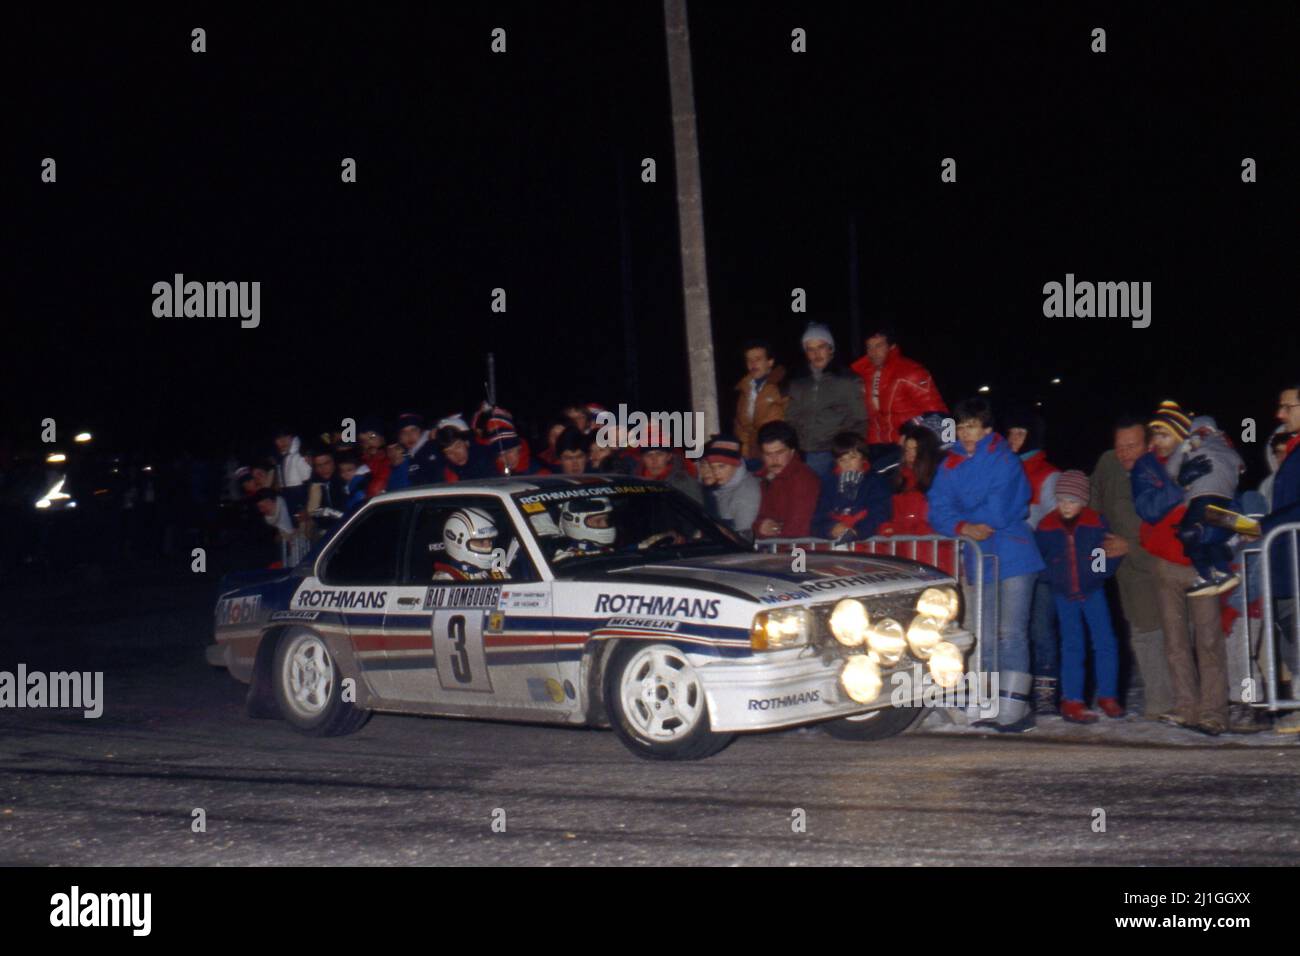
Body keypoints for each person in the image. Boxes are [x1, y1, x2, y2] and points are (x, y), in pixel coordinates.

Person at [927, 397, 1044, 732]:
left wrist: (962, 518)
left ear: (987, 428)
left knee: (1011, 632)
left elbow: (1002, 507)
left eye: (973, 426)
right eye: (962, 426)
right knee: (987, 635)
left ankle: (1015, 707)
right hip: (980, 557)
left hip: (1014, 554)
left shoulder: (1004, 459)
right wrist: (962, 526)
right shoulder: (949, 464)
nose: (966, 433)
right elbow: (936, 507)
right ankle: (992, 701)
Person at [1131, 399, 1228, 735]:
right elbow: (1148, 508)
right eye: (1153, 434)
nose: (1156, 441)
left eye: (1162, 434)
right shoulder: (1146, 466)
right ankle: (1186, 706)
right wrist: (1176, 482)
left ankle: (1214, 711)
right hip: (1165, 564)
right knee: (1174, 640)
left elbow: (1222, 503)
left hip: (1199, 562)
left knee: (1208, 638)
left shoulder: (1205, 456)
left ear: (1179, 434)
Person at [1089, 415, 1175, 720]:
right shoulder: (1108, 464)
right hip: (1130, 571)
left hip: (1166, 562)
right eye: (1120, 446)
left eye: (1132, 446)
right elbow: (1094, 505)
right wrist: (1098, 540)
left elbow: (1172, 522)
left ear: (1148, 444)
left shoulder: (1163, 467)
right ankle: (1160, 704)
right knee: (1143, 632)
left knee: (1174, 633)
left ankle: (1183, 702)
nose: (1125, 453)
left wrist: (1131, 545)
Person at [1035, 470, 1123, 723]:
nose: (1066, 506)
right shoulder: (1047, 526)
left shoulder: (1095, 522)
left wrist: (1098, 574)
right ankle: (1072, 699)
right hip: (1064, 595)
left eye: (1072, 501)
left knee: (1105, 642)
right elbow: (1040, 559)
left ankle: (1108, 695)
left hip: (1093, 592)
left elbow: (1104, 552)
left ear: (1083, 501)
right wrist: (1052, 576)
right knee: (1072, 645)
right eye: (1061, 500)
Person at [1005, 407, 1062, 715]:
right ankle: (1015, 692)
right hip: (1011, 563)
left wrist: (1025, 521)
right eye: (1010, 432)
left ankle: (1045, 692)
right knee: (1014, 630)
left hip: (1039, 564)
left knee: (1040, 629)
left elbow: (1055, 521)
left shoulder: (1047, 473)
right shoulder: (1003, 468)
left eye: (1020, 433)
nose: (1013, 438)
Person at [1166, 415, 1245, 595]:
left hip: (1203, 498)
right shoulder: (1227, 447)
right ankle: (1224, 572)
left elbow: (1170, 470)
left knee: (1190, 533)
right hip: (1226, 502)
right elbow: (1240, 467)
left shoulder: (1196, 441)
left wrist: (1182, 454)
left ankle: (1205, 576)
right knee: (1207, 535)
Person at [1260, 383, 1300, 732]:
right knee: (1292, 638)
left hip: (1295, 563)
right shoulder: (1295, 449)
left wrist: (1266, 525)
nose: (1280, 414)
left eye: (1287, 406)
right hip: (1288, 566)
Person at [849, 322, 947, 460]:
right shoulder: (860, 375)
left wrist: (912, 436)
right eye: (869, 347)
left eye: (879, 346)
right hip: (874, 446)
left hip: (907, 445)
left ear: (892, 346)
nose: (873, 352)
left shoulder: (911, 371)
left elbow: (938, 413)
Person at [784, 322, 867, 481]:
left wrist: (844, 453)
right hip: (802, 453)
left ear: (831, 348)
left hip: (832, 453)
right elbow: (791, 418)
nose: (816, 354)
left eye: (821, 347)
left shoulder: (847, 380)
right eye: (810, 349)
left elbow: (859, 420)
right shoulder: (799, 381)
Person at [812, 431, 893, 542]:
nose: (847, 463)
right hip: (833, 545)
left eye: (852, 457)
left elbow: (880, 513)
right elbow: (818, 516)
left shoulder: (876, 482)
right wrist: (830, 528)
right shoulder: (828, 483)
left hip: (865, 543)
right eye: (842, 460)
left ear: (863, 457)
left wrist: (857, 530)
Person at [752, 421, 820, 540]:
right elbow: (756, 520)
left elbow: (798, 530)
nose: (774, 460)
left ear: (792, 451)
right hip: (772, 549)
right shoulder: (762, 478)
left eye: (779, 452)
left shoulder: (804, 479)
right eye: (768, 454)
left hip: (797, 552)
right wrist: (760, 527)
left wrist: (772, 531)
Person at [878, 419, 943, 536]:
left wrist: (927, 527)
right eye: (907, 449)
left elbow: (943, 513)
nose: (910, 454)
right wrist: (888, 526)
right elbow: (892, 514)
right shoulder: (898, 478)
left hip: (933, 546)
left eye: (915, 449)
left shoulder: (940, 477)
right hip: (906, 546)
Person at [733, 340, 787, 464]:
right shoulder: (744, 388)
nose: (753, 364)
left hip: (776, 455)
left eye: (758, 359)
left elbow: (793, 422)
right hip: (750, 457)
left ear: (770, 362)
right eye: (749, 360)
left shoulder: (782, 386)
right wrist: (744, 455)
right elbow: (740, 428)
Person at [699, 434, 760, 541]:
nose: (716, 472)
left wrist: (722, 532)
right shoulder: (719, 487)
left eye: (721, 466)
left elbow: (745, 539)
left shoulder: (746, 492)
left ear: (735, 465)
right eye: (713, 467)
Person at [433, 508, 510, 580]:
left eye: (490, 541)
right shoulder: (445, 579)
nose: (488, 547)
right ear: (458, 543)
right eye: (481, 542)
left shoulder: (497, 573)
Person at [637, 445, 705, 506]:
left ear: (669, 456)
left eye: (659, 454)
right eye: (648, 455)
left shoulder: (684, 483)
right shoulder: (635, 484)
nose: (654, 460)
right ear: (642, 459)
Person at [272, 426, 312, 517]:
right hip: (288, 505)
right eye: (278, 438)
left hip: (301, 508)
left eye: (286, 437)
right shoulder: (281, 458)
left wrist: (304, 507)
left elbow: (309, 484)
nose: (282, 441)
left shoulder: (299, 455)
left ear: (292, 437)